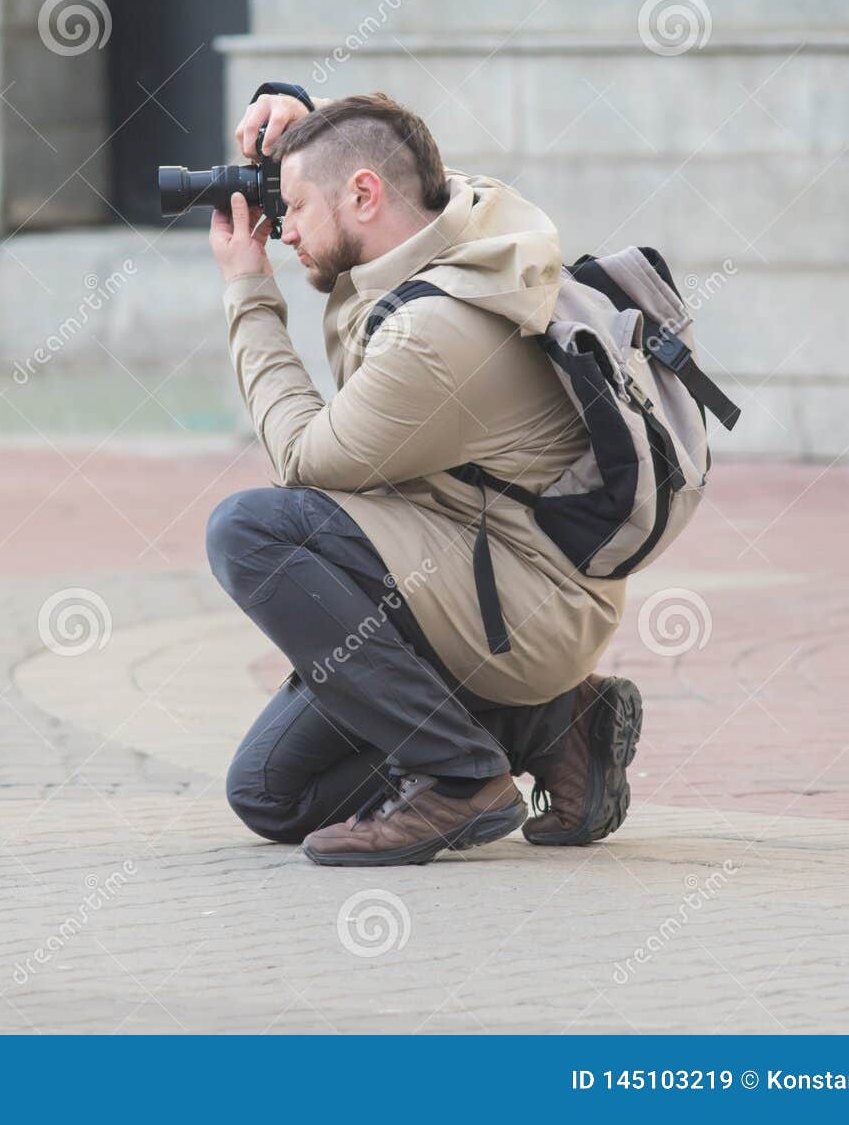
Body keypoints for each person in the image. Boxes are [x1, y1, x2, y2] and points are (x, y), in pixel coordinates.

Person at [205, 88, 642, 867]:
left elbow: (303, 459)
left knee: (250, 530)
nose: (286, 229)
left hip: (517, 601)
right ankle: (551, 723)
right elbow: (394, 156)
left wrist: (248, 290)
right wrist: (310, 121)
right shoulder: (466, 221)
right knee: (272, 795)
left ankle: (457, 776)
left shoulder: (436, 332)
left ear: (365, 194)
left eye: (294, 206)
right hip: (491, 575)